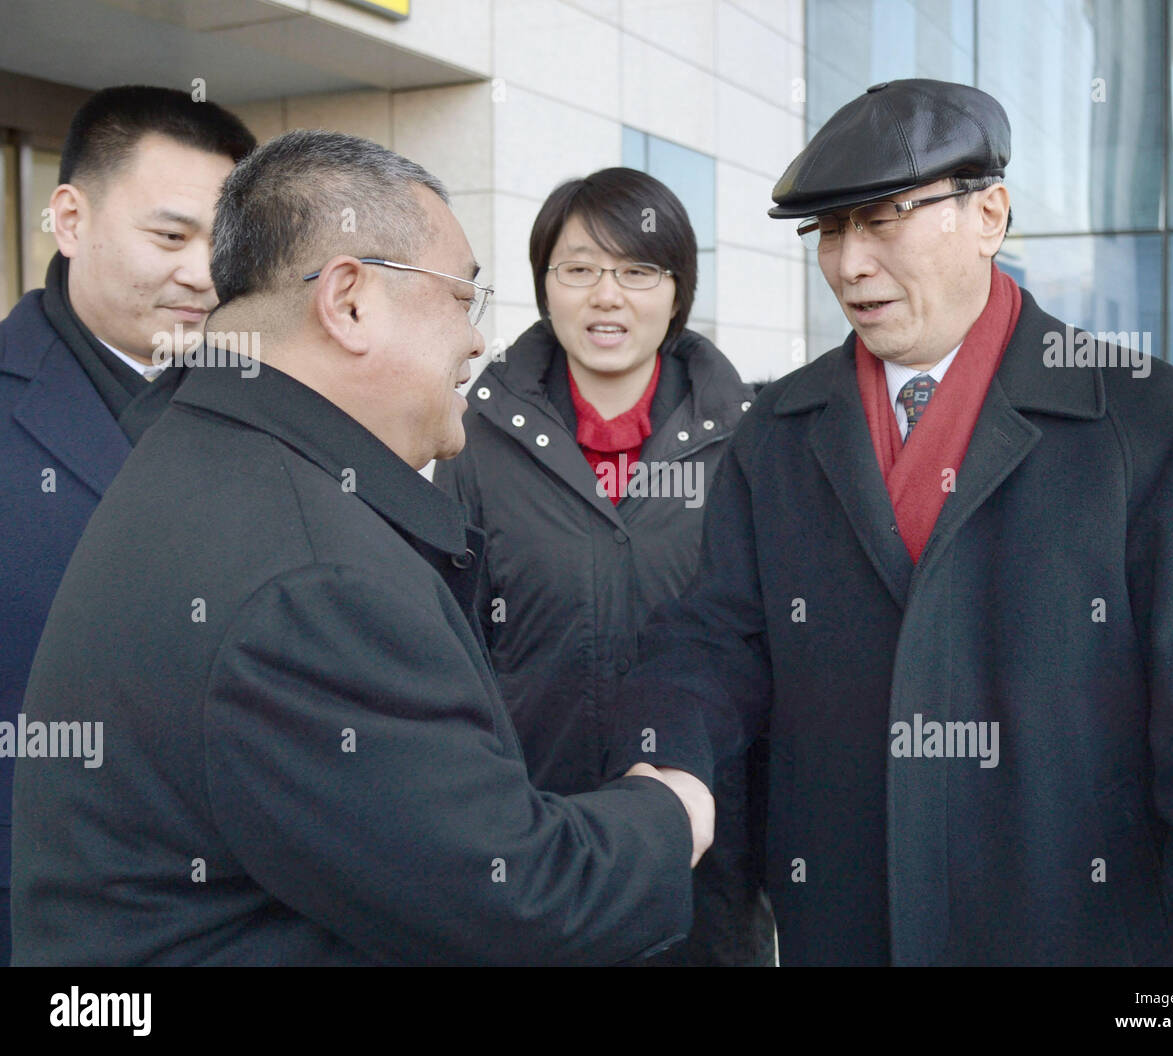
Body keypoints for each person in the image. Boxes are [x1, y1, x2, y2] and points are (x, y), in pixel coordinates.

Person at [606, 79, 1173, 965]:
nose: (849, 263)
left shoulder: (1145, 422)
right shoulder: (774, 433)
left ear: (990, 215)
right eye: (830, 230)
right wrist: (666, 759)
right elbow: (715, 641)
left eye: (884, 218)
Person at [10, 130, 712, 966]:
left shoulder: (202, 444)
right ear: (347, 302)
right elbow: (515, 899)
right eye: (461, 299)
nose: (476, 342)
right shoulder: (316, 580)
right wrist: (667, 814)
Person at [434, 168, 774, 965]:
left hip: (708, 849)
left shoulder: (752, 442)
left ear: (676, 290)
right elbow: (449, 639)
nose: (606, 296)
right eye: (578, 269)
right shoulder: (471, 439)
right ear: (545, 287)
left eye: (636, 271)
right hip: (534, 845)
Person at [0, 85, 255, 966]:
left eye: (223, 245)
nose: (203, 273)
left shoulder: (273, 411)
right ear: (69, 219)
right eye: (171, 236)